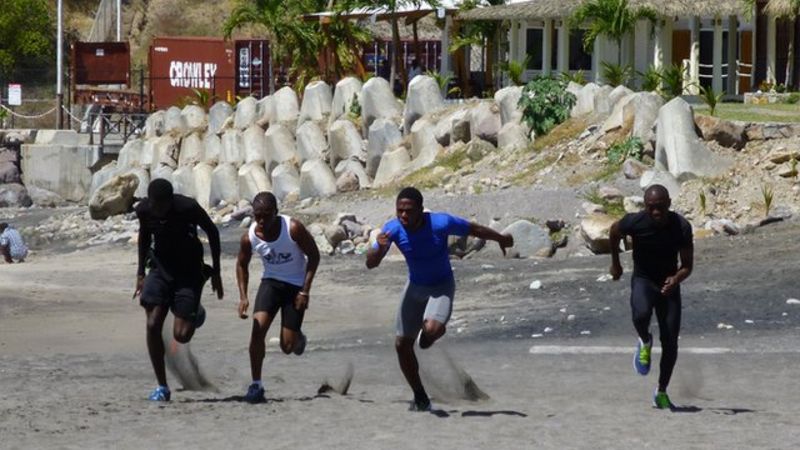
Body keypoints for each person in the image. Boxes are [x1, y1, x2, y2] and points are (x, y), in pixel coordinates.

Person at [366, 187, 514, 411]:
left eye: (409, 211)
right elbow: (370, 263)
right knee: (401, 345)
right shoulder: (392, 230)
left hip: (441, 286)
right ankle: (420, 395)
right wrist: (378, 250)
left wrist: (501, 238)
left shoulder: (440, 223)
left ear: (420, 210)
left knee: (431, 332)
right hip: (414, 288)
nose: (403, 216)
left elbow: (474, 229)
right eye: (399, 211)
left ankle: (429, 335)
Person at [133, 179, 223, 402]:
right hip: (160, 269)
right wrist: (140, 273)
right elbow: (144, 237)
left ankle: (196, 311)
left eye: (163, 205)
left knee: (181, 336)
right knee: (153, 323)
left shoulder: (188, 207)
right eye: (155, 205)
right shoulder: (144, 210)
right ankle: (162, 386)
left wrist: (217, 272)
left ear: (170, 201)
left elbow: (212, 232)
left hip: (189, 271)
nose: (159, 210)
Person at [609, 184, 693, 410]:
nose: (656, 212)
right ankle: (645, 340)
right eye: (651, 207)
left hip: (669, 284)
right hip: (644, 279)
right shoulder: (635, 222)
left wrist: (675, 279)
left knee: (671, 342)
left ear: (669, 204)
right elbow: (613, 232)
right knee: (640, 315)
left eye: (661, 207)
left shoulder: (681, 226)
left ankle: (661, 391)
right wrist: (615, 263)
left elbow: (687, 266)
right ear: (645, 206)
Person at [236, 192, 320, 403]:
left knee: (288, 347)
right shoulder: (250, 237)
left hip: (295, 286)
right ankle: (256, 385)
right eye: (257, 216)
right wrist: (243, 297)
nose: (262, 221)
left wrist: (305, 290)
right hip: (271, 283)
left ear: (276, 212)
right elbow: (241, 265)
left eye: (266, 215)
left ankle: (299, 337)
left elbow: (314, 255)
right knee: (257, 331)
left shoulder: (293, 228)